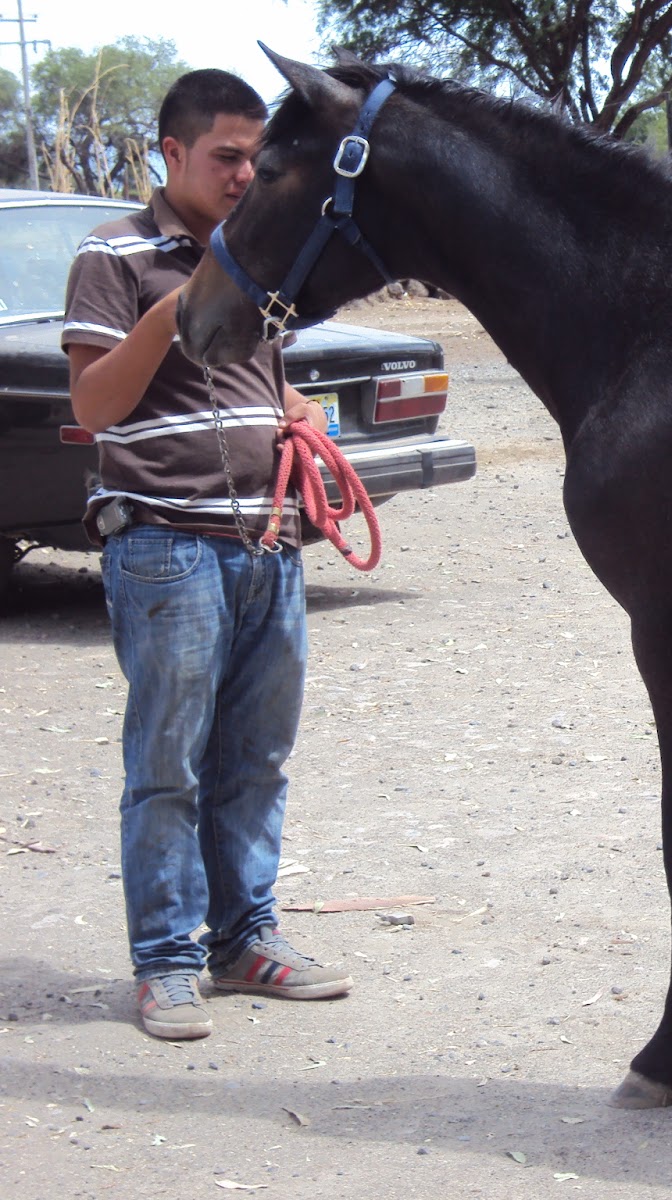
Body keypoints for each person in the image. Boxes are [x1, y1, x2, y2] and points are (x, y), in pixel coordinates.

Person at [62, 69, 351, 1040]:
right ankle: (166, 962)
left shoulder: (259, 259)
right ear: (172, 154)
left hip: (266, 543)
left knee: (256, 760)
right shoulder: (113, 256)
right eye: (226, 156)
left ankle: (247, 940)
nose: (243, 174)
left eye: (254, 158)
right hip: (163, 547)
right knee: (169, 764)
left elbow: (271, 385)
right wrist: (169, 313)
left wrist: (300, 419)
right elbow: (94, 408)